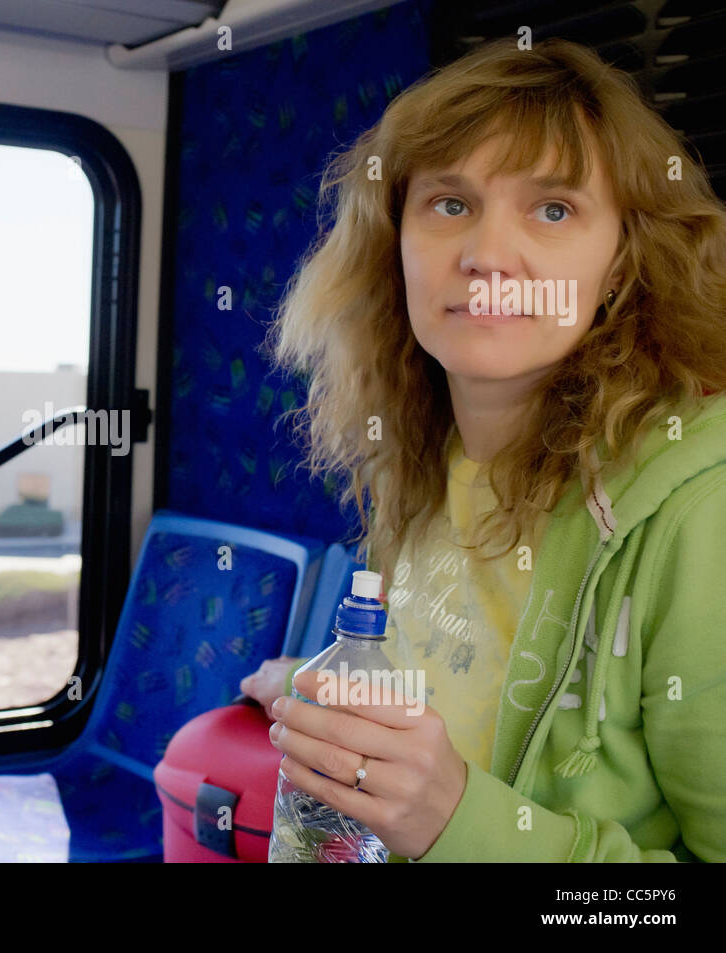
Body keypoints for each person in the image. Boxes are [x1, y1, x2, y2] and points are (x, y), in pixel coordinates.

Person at [244, 36, 726, 862]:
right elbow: (451, 681)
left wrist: (457, 821)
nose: (487, 257)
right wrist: (313, 686)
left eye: (553, 209)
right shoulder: (426, 456)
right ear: (396, 243)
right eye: (451, 204)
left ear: (618, 266)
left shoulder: (698, 510)